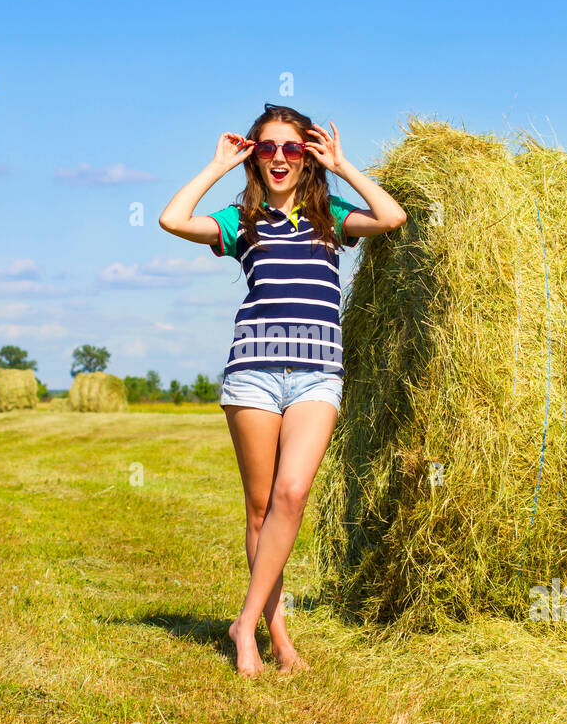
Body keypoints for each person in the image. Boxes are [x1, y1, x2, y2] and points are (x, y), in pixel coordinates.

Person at [159, 103, 406, 675]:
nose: (278, 158)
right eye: (266, 147)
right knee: (261, 507)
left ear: (307, 157)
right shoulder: (239, 222)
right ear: (255, 155)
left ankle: (242, 622)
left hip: (319, 374)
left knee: (293, 494)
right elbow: (173, 220)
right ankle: (275, 632)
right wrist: (219, 165)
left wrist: (343, 165)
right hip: (253, 373)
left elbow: (391, 218)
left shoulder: (331, 218)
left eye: (291, 148)